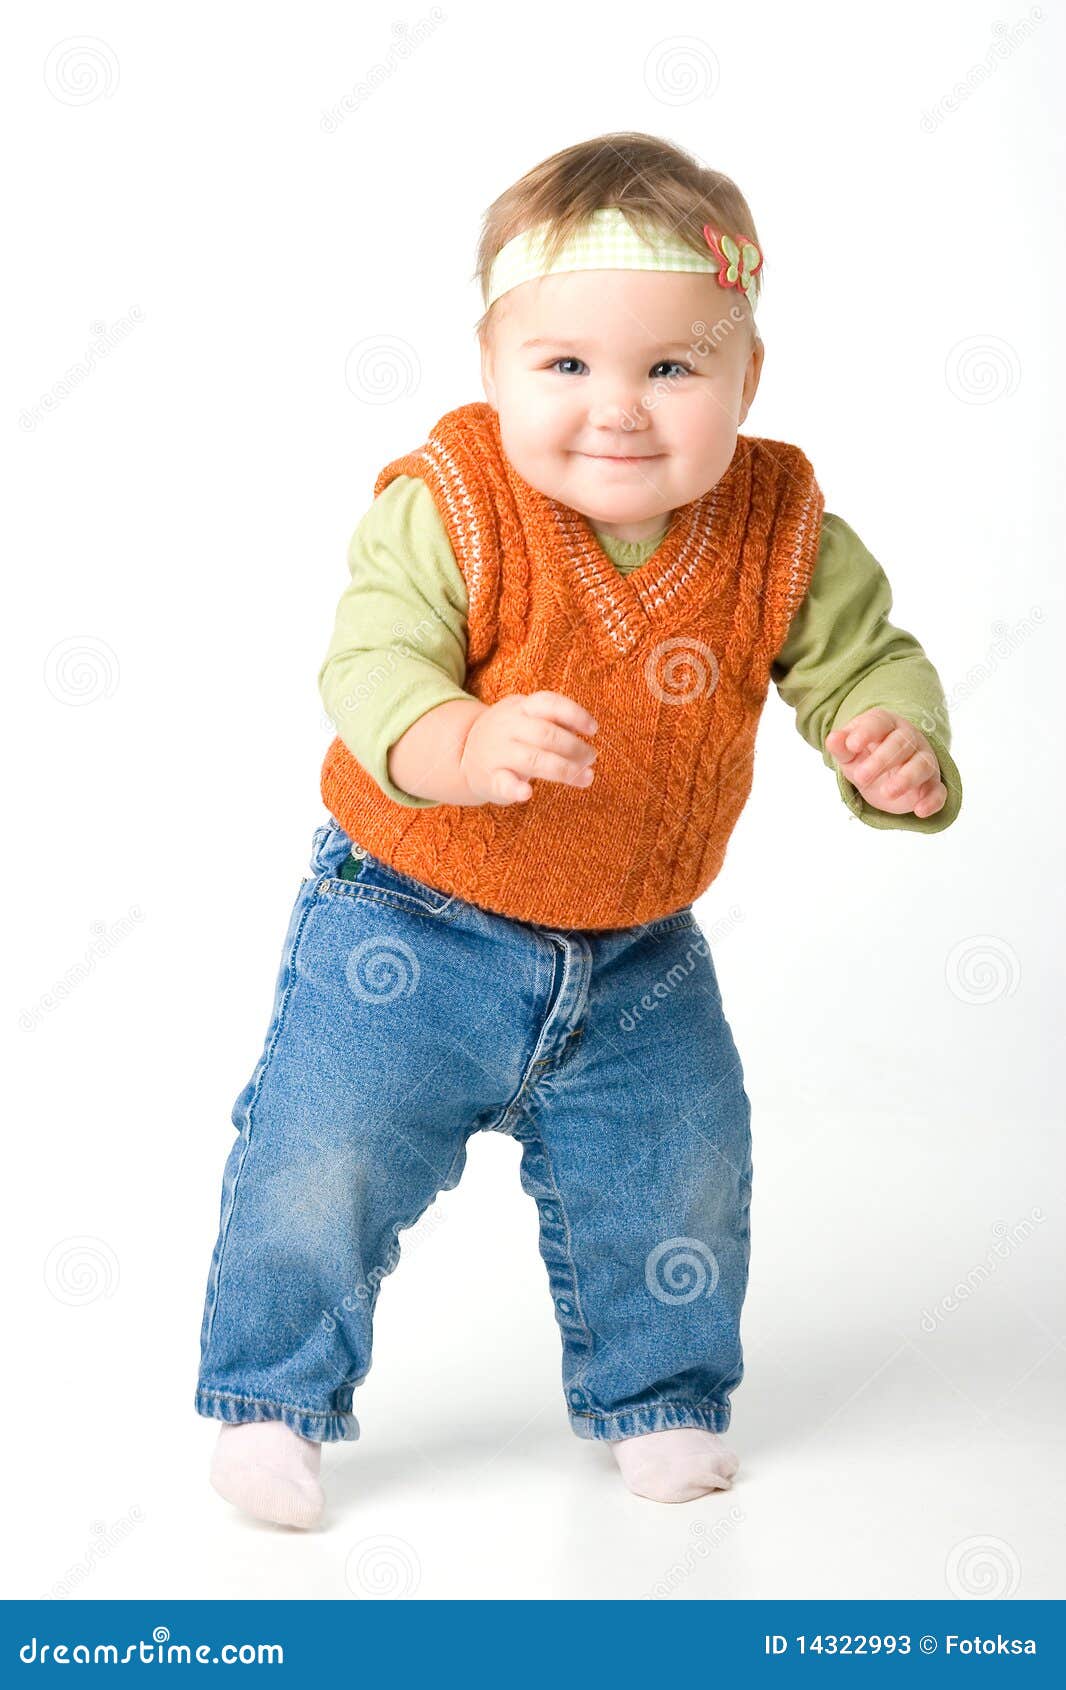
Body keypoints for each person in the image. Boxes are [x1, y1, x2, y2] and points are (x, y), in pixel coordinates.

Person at [196, 132, 962, 1527]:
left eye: (671, 367)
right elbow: (369, 664)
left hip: (637, 947)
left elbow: (864, 658)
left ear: (745, 378)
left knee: (683, 1160)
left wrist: (889, 738)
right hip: (407, 917)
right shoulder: (453, 504)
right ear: (490, 371)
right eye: (565, 366)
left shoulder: (779, 525)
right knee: (323, 1148)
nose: (617, 407)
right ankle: (269, 1398)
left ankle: (660, 1393)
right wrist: (460, 739)